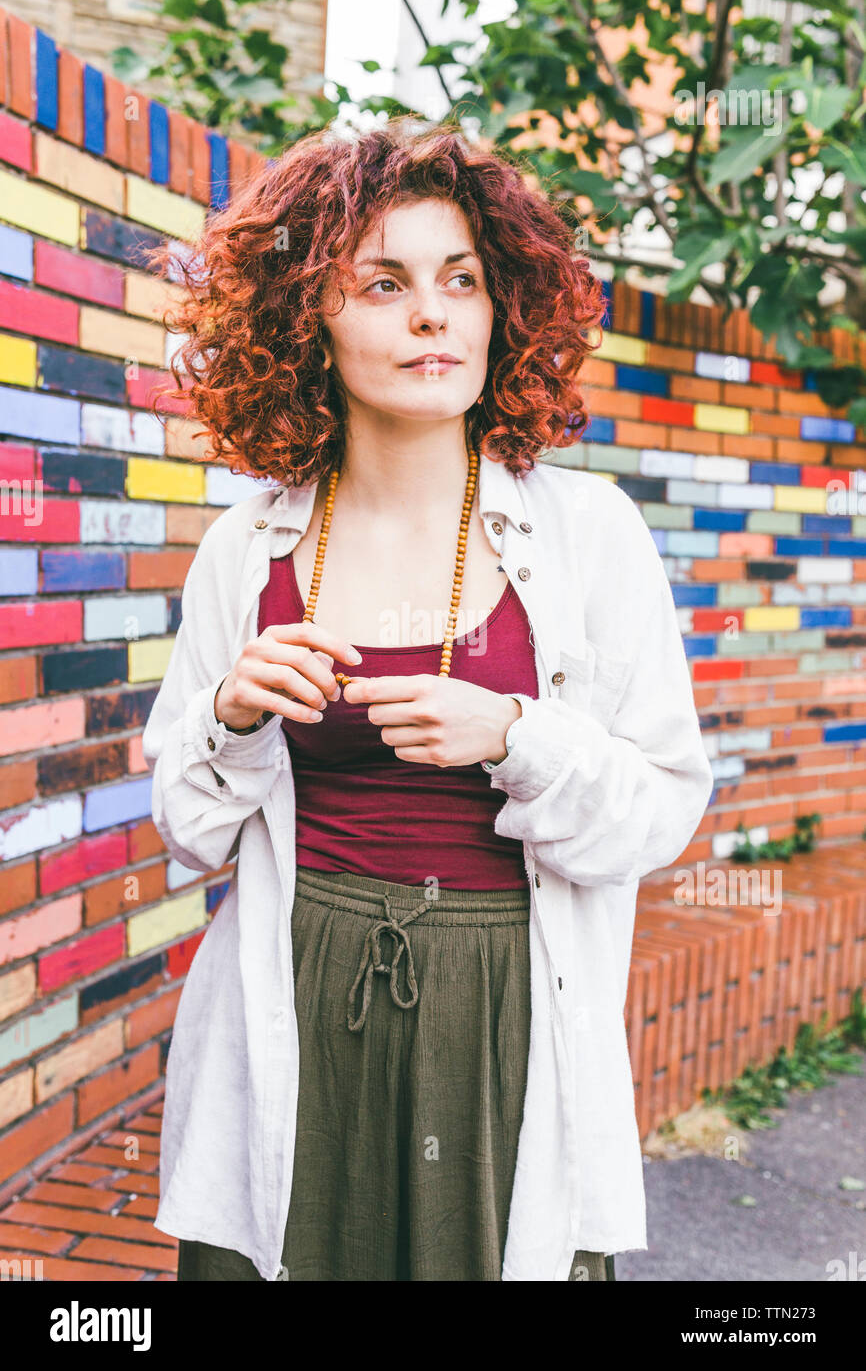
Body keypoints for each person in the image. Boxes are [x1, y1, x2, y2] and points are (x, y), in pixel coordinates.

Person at [141, 117, 715, 1282]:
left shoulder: (587, 533)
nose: (431, 315)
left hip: (503, 1006)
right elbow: (187, 829)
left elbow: (661, 812)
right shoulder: (245, 547)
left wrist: (520, 738)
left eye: (460, 280)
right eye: (383, 281)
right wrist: (230, 719)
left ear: (500, 307)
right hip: (294, 992)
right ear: (308, 317)